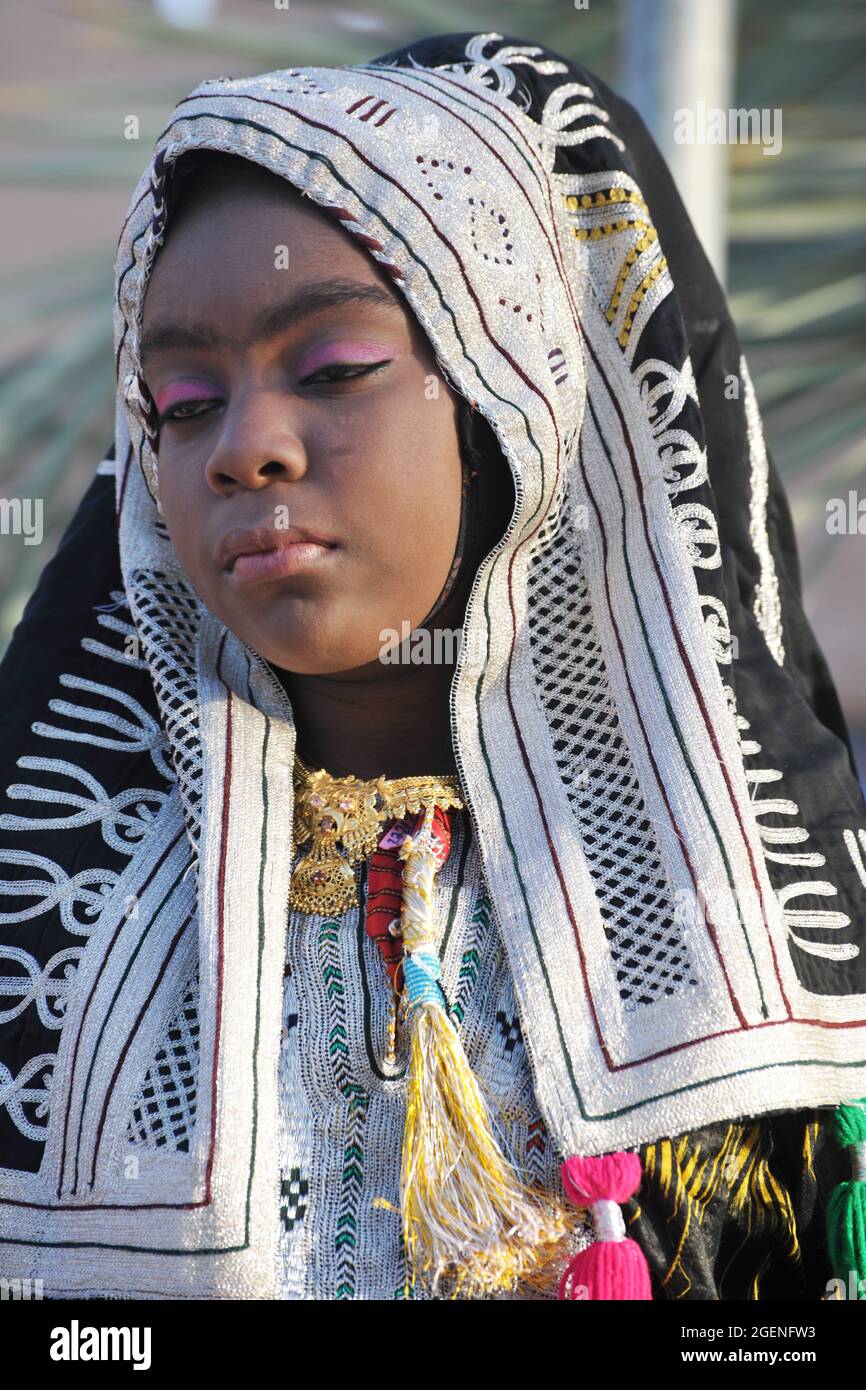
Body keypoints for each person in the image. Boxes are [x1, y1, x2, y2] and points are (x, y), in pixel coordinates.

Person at [1, 30, 865, 1302]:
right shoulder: (48, 949)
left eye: (335, 369)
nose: (246, 449)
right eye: (182, 401)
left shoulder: (758, 965)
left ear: (510, 402)